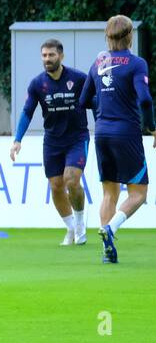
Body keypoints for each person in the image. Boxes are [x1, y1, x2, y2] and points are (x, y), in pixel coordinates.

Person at [78, 15, 153, 264]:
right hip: (126, 134)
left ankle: (106, 251)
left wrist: (104, 108)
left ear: (106, 36)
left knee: (109, 193)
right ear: (130, 36)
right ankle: (111, 228)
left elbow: (83, 100)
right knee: (139, 193)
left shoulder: (98, 62)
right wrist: (152, 127)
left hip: (102, 133)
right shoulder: (136, 63)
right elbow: (144, 99)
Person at [9, 39, 90, 245]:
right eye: (44, 55)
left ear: (61, 56)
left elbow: (96, 103)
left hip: (77, 138)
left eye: (51, 55)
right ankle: (71, 228)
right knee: (56, 186)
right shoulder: (37, 84)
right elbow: (27, 111)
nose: (47, 59)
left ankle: (80, 222)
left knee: (71, 179)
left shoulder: (79, 78)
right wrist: (17, 139)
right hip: (52, 141)